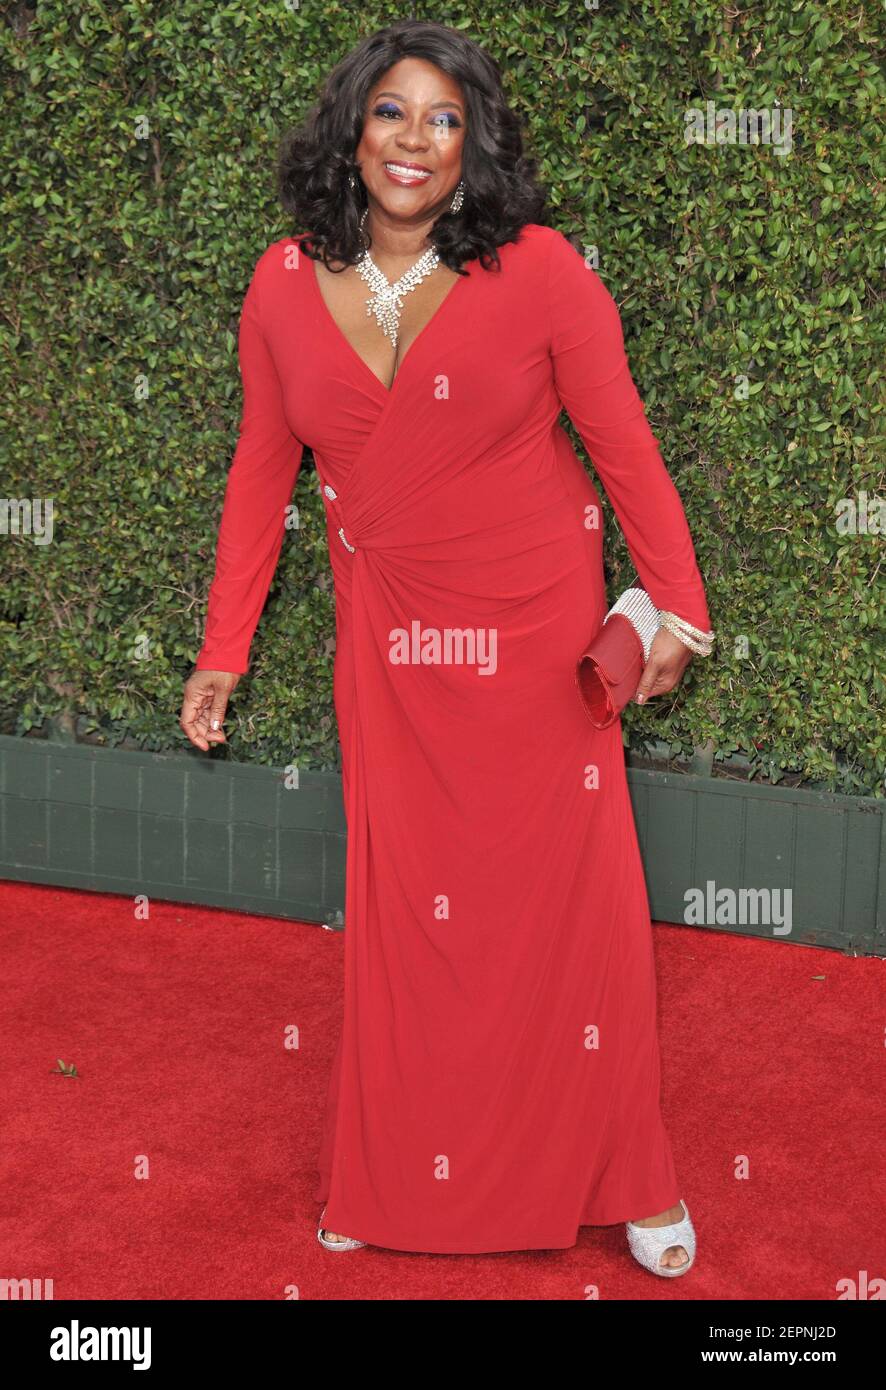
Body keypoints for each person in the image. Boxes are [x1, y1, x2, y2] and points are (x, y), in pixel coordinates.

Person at [179, 19, 714, 1275]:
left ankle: (631, 1176)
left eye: (441, 120)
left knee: (570, 914)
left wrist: (675, 606)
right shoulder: (278, 281)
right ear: (349, 132)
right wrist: (223, 648)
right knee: (410, 922)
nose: (412, 142)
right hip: (389, 649)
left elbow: (623, 445)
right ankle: (395, 1174)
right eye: (389, 114)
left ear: (472, 146)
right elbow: (262, 473)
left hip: (532, 637)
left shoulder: (535, 271)